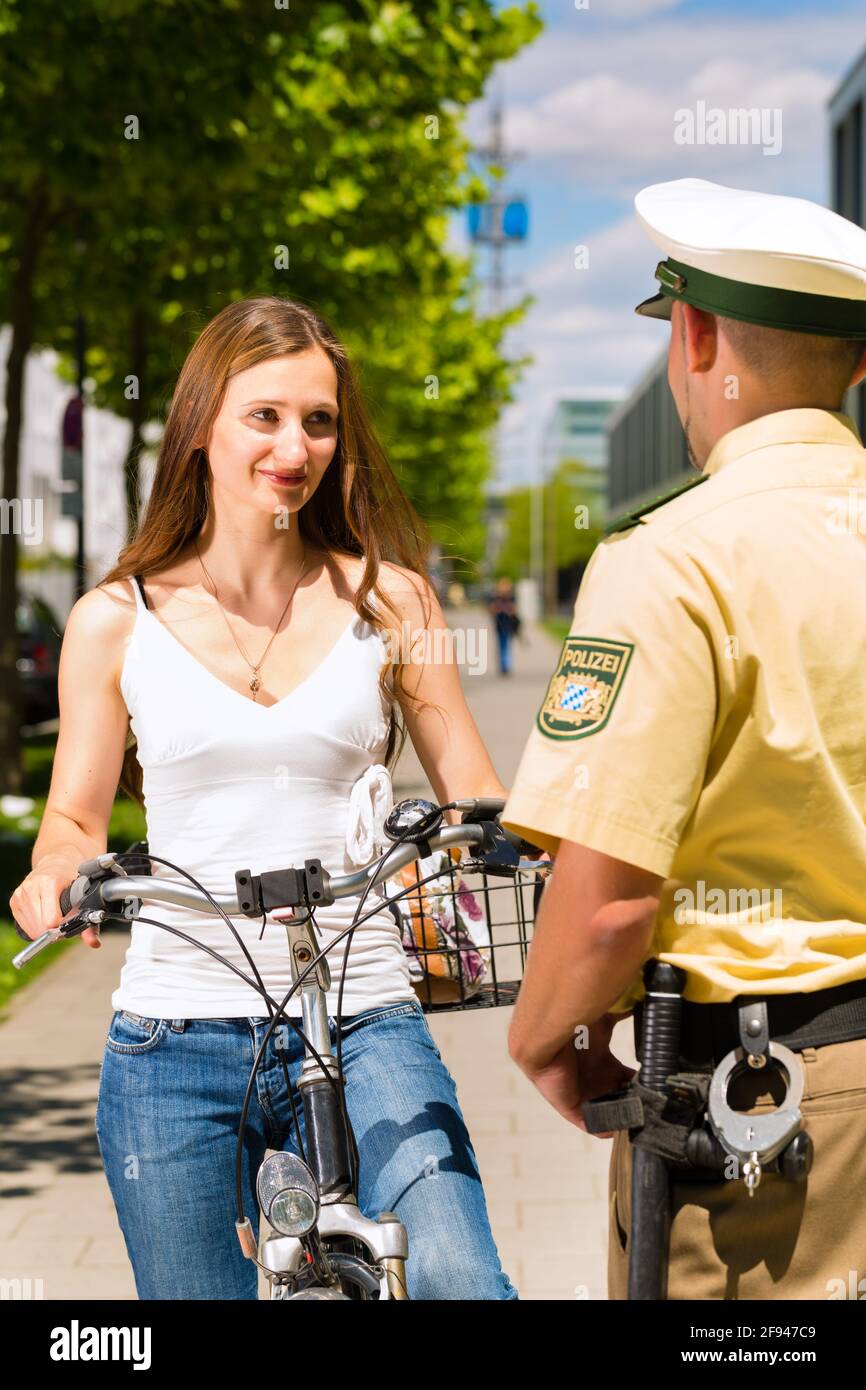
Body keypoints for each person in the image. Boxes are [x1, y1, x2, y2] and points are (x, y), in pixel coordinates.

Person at [12, 295, 518, 1301]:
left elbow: (475, 791)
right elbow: (73, 814)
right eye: (265, 416)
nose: (297, 445)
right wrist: (54, 873)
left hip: (363, 1011)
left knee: (464, 1282)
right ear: (201, 423)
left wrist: (485, 834)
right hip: (173, 1036)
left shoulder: (391, 599)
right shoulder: (115, 619)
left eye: (320, 420)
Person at [499, 177, 866, 1299]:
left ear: (697, 338)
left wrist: (542, 1039)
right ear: (852, 363)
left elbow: (607, 898)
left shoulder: (669, 559)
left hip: (765, 1110)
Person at [488, 575, 519, 676]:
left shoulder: (511, 598)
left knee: (505, 645)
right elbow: (491, 610)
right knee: (502, 645)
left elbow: (514, 610)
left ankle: (505, 666)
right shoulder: (496, 597)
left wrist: (506, 609)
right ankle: (503, 666)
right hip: (499, 625)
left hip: (508, 624)